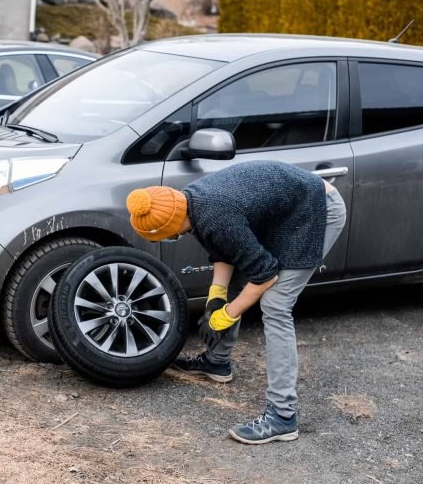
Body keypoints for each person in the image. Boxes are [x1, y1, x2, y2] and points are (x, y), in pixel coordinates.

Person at [124, 160, 346, 444]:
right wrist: (217, 297)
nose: (169, 241)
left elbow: (265, 276)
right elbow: (225, 251)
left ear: (170, 227)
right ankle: (217, 363)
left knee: (276, 305)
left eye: (164, 238)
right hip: (287, 212)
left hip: (315, 211)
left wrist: (227, 314)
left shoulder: (213, 214)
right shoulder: (190, 203)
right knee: (244, 282)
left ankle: (283, 416)